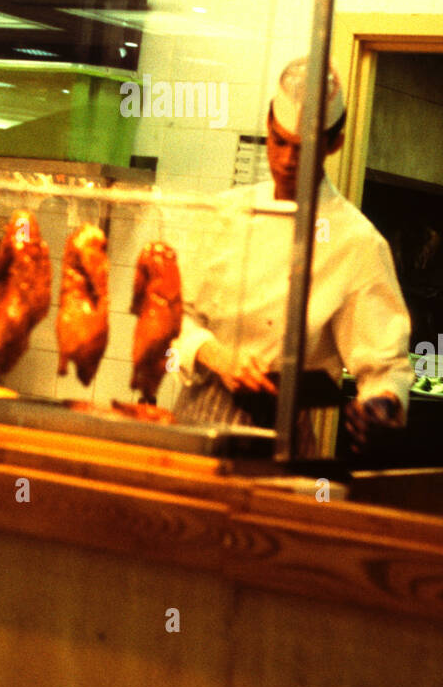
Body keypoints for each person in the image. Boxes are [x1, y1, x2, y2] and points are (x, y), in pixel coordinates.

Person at [171, 57, 414, 450]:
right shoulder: (228, 213)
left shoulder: (357, 241)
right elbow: (174, 316)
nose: (286, 161)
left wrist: (381, 406)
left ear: (334, 144)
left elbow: (385, 368)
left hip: (283, 438)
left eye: (303, 149)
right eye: (279, 141)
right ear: (268, 126)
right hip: (194, 421)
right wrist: (214, 354)